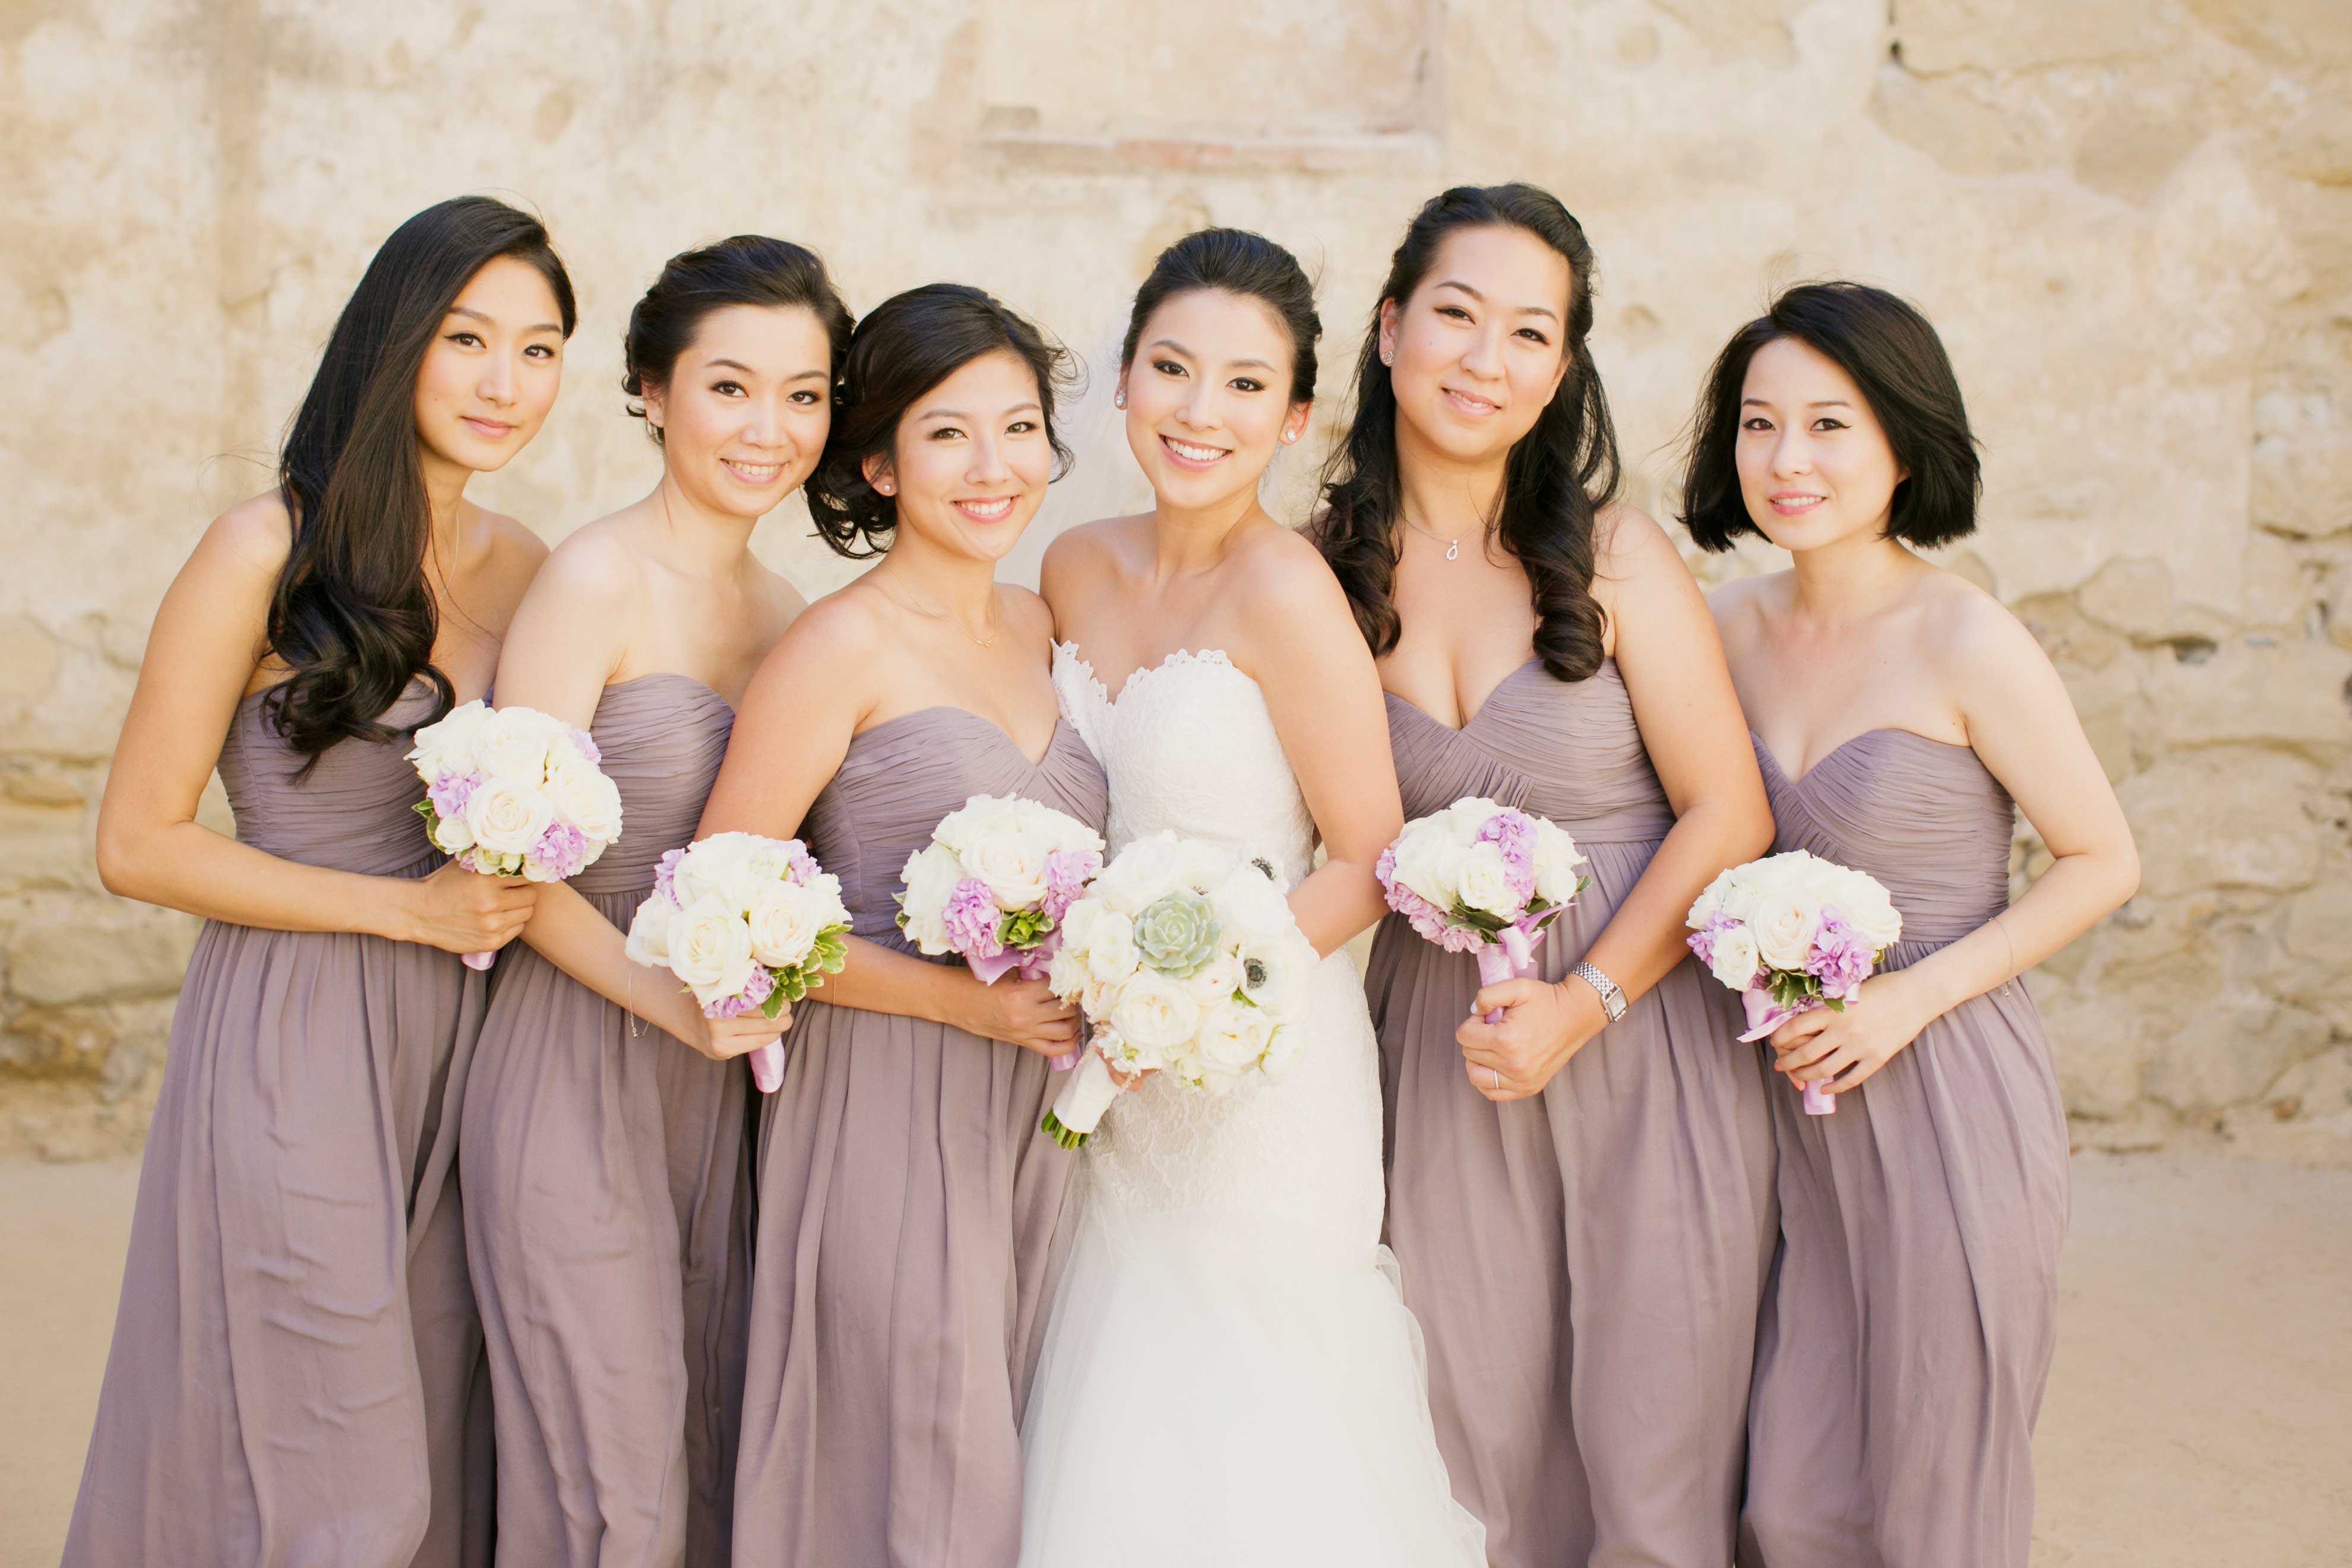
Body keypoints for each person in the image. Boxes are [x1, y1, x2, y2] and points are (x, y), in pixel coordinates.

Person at [66, 195, 572, 1567]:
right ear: (395, 341)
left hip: (466, 1054)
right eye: (469, 339)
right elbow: (136, 841)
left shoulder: (526, 568)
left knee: (438, 1439)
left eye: (537, 350)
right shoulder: (261, 548)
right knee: (346, 1480)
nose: (503, 382)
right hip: (295, 1032)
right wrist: (405, 908)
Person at [1324, 182, 1778, 1567]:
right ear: (1393, 325)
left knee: (1658, 1437)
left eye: (1531, 333)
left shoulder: (1622, 553)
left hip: (1640, 1036)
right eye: (1456, 315)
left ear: (1562, 370)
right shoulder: (1310, 580)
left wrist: (1586, 998)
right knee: (1466, 1438)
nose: (1485, 359)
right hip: (1439, 1049)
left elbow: (1728, 811)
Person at [1021, 227, 1485, 1567]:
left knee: (1259, 1393)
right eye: (1172, 369)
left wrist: (1199, 1004)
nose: (1198, 412)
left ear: (1291, 418)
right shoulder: (1074, 567)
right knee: (1121, 1386)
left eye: (1241, 386)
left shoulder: (1285, 590)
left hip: (1262, 1064)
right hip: (1120, 1072)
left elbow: (1369, 852)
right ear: (1123, 382)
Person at [1683, 280, 2139, 1567]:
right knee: (1791, 1503)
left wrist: (1908, 999)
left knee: (1935, 1492)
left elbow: (2103, 859)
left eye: (1830, 425)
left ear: (1902, 439)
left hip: (1947, 1092)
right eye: (1759, 425)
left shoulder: (1965, 637)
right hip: (1777, 1107)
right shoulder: (1724, 630)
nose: (1787, 460)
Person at [459, 236, 851, 1567]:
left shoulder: (791, 609)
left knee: (700, 1473)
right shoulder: (594, 580)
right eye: (731, 387)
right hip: (578, 1059)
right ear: (650, 390)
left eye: (804, 394)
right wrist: (657, 996)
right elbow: (505, 862)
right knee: (608, 1491)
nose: (770, 428)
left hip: (728, 1097)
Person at [706, 283, 1107, 1567]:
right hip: (887, 1100)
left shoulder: (1053, 627)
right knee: (919, 1467)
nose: (993, 468)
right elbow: (728, 908)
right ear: (878, 460)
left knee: (1012, 1452)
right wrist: (959, 1002)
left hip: (1040, 1117)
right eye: (947, 434)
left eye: (1019, 428)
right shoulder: (837, 647)